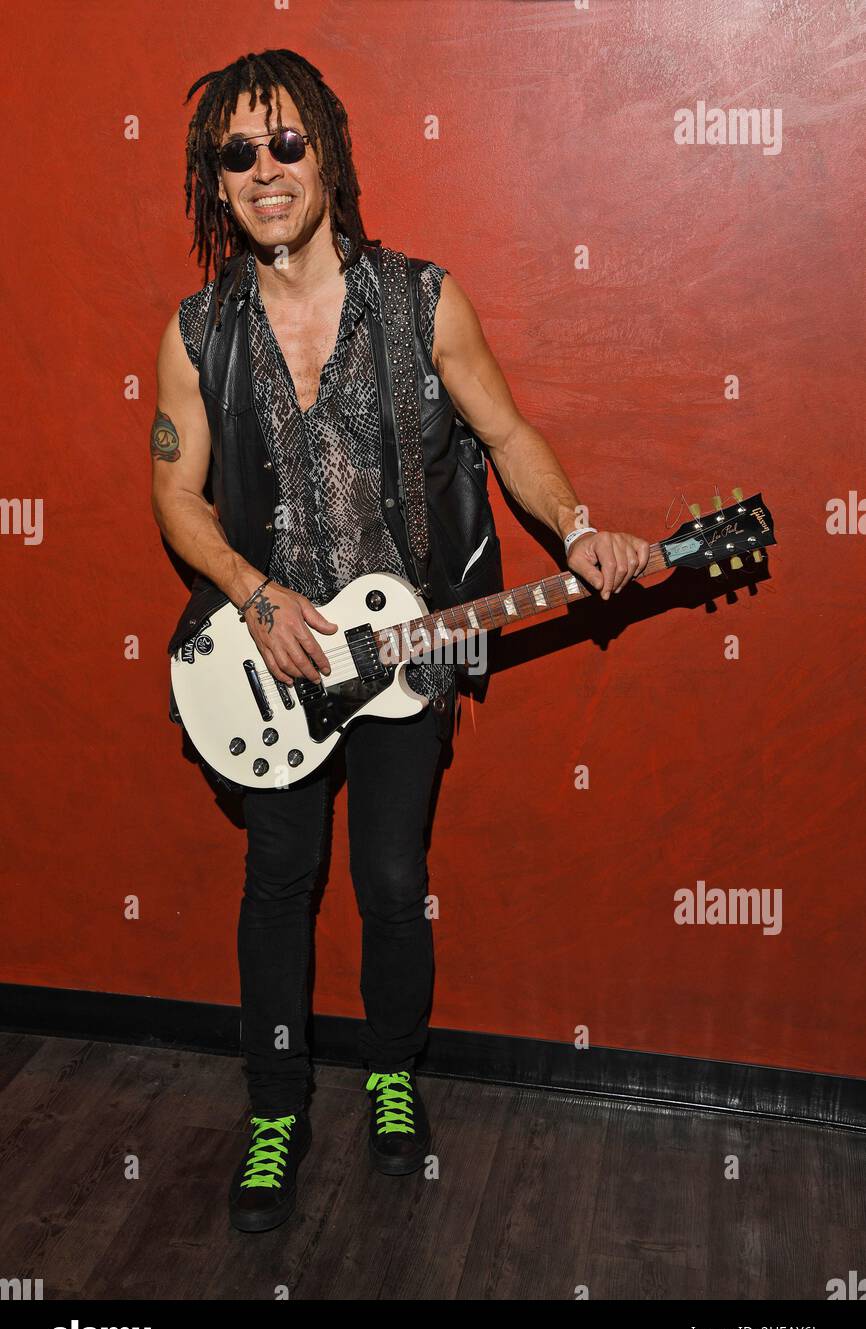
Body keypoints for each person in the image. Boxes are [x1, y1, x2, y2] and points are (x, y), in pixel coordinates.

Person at [150, 48, 650, 1233]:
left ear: (326, 153)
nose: (264, 170)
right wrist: (254, 594)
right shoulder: (193, 334)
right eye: (236, 153)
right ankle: (275, 1106)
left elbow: (508, 432)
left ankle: (389, 1076)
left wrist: (575, 528)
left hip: (410, 655)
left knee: (387, 881)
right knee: (278, 883)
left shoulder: (422, 298)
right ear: (213, 182)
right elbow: (175, 498)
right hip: (269, 664)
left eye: (285, 145)